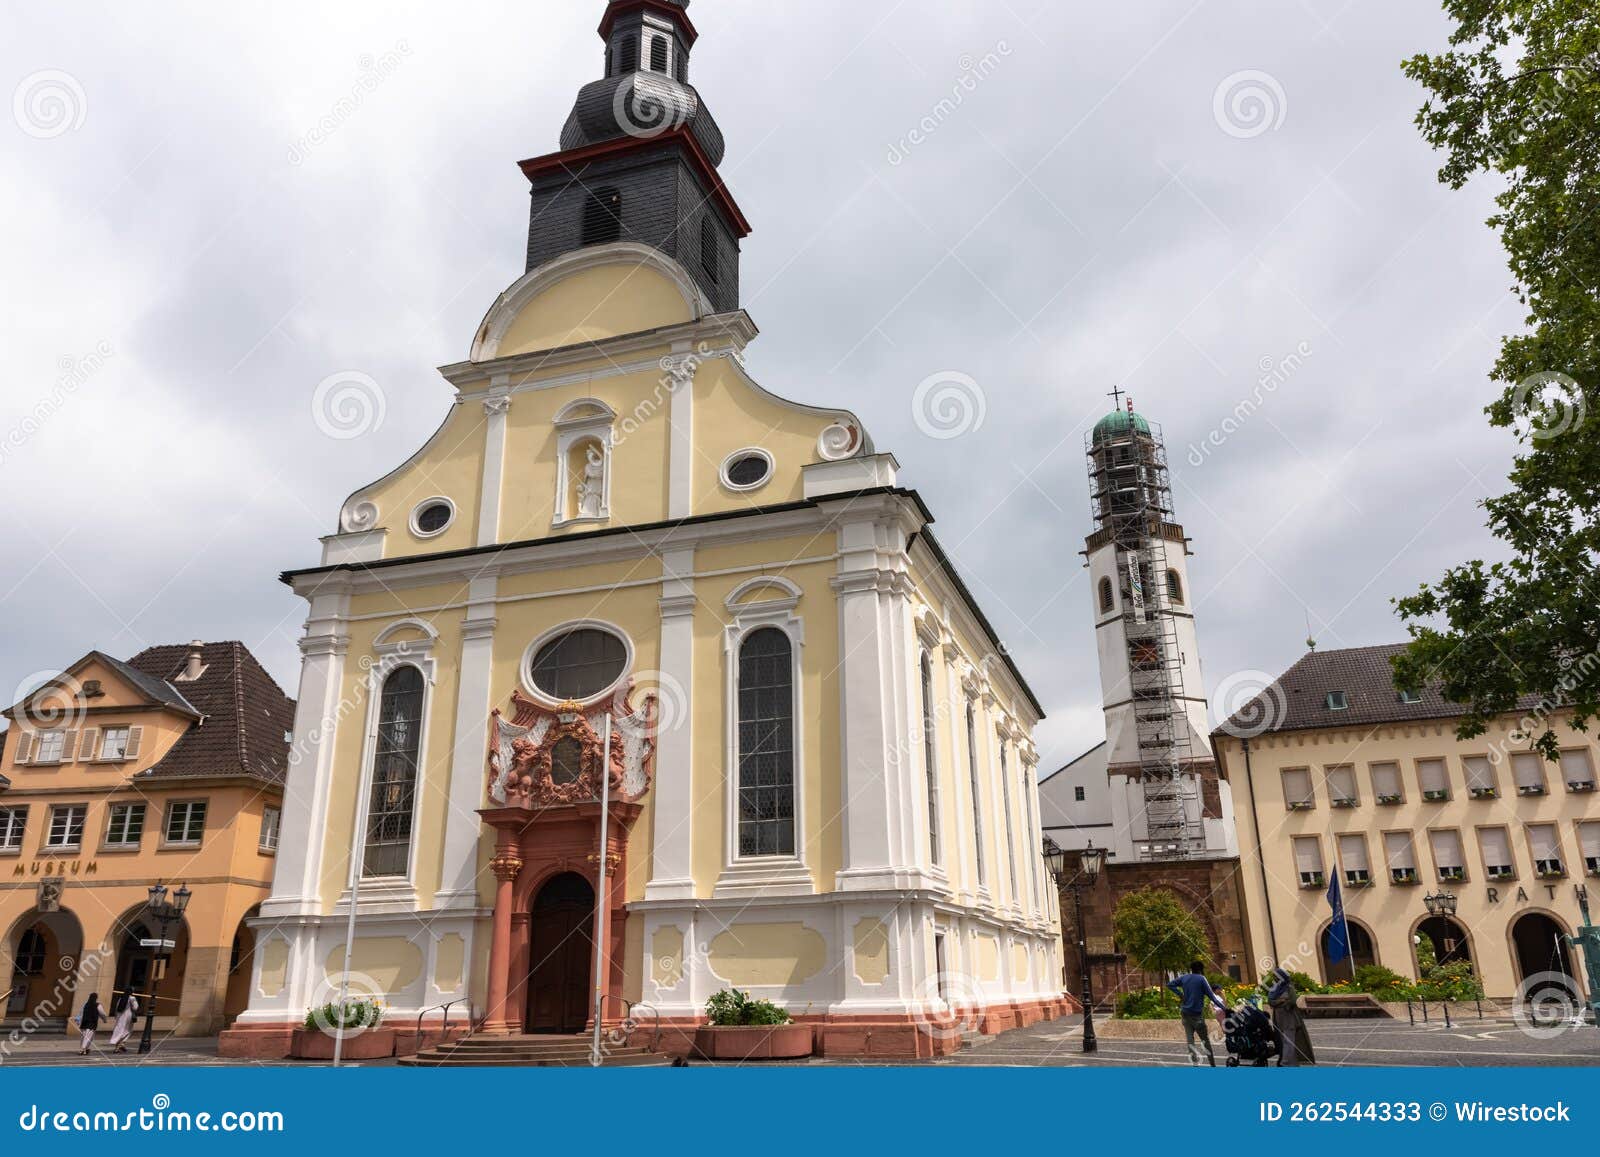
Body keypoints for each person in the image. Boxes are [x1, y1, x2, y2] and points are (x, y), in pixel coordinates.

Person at [1167, 961, 1227, 1066]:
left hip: (1185, 1014)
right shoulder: (1201, 979)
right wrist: (1225, 1009)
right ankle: (1212, 1064)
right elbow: (1212, 997)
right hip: (1197, 1016)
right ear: (1200, 969)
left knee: (1190, 1042)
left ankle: (1195, 1065)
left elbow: (1170, 984)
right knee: (1205, 1041)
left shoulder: (1184, 978)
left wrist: (1180, 994)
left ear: (1191, 969)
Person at [1268, 968, 1316, 1066]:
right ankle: (1288, 1061)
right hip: (1279, 1017)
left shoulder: (1289, 987)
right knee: (1284, 1040)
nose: (1275, 978)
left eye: (1277, 976)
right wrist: (1281, 1001)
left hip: (1288, 1016)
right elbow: (1270, 1001)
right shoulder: (1274, 988)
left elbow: (1292, 1001)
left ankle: (1287, 1062)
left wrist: (1281, 1002)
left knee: (1288, 1040)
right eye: (1275, 977)